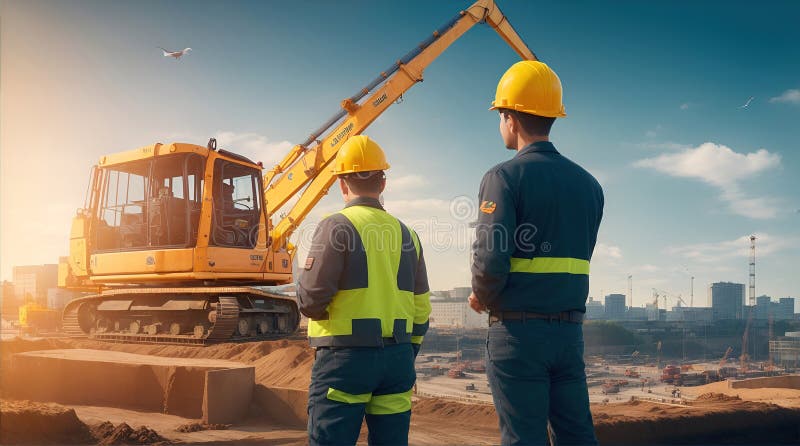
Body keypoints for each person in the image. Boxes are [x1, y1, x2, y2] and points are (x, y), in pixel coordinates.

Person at [468, 60, 603, 445]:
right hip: (569, 334)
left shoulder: (503, 178)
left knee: (524, 437)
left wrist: (482, 295)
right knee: (577, 435)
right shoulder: (589, 185)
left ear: (510, 118)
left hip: (519, 334)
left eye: (499, 115)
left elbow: (490, 258)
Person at [297, 135, 432, 446]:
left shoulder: (336, 227)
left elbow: (311, 302)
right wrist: (405, 352)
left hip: (345, 361)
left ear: (342, 185)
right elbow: (421, 308)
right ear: (382, 183)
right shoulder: (408, 235)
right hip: (397, 360)